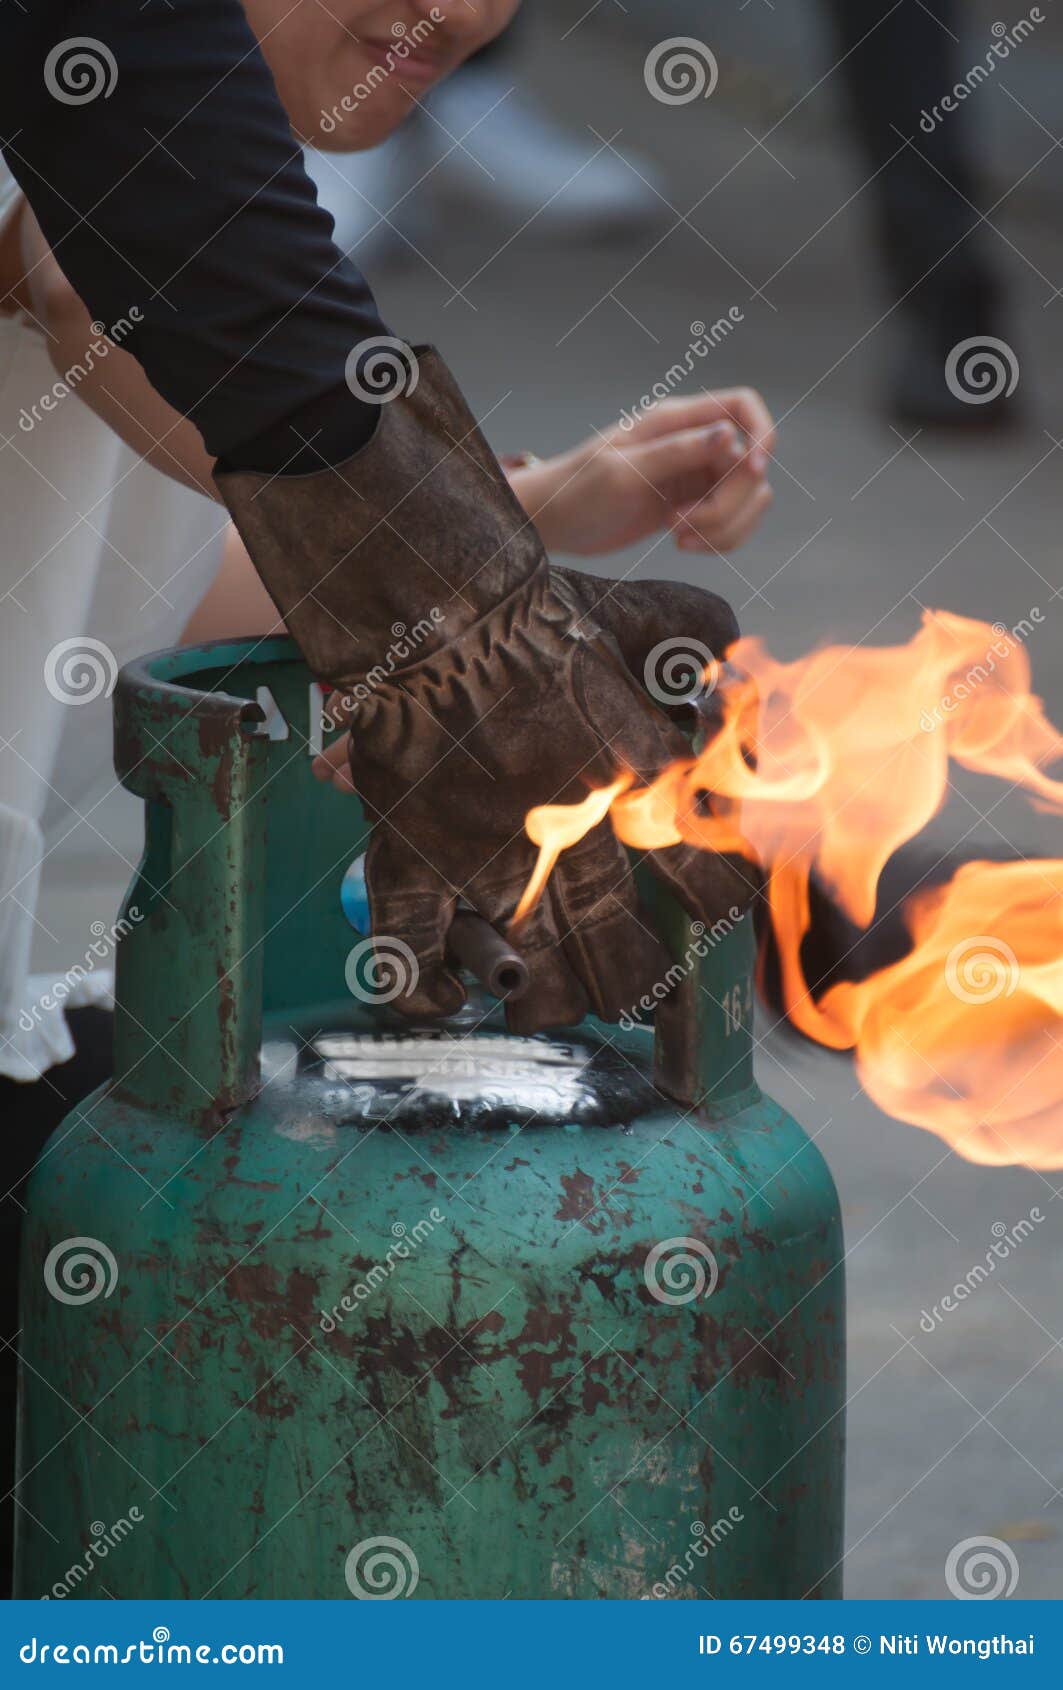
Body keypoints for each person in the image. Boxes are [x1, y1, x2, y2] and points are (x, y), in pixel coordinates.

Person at [0, 0, 774, 1590]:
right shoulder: (108, 134)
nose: (470, 8)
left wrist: (534, 511)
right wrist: (472, 610)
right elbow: (107, 274)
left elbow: (181, 559)